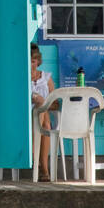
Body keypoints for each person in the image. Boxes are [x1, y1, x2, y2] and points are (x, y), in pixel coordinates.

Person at [30, 43, 57, 180]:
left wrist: (44, 103)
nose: (31, 65)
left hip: (42, 116)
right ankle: (44, 169)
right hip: (26, 117)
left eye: (33, 61)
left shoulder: (46, 77)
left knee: (45, 121)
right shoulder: (22, 79)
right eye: (28, 61)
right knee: (45, 122)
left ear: (38, 61)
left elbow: (55, 103)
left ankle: (40, 165)